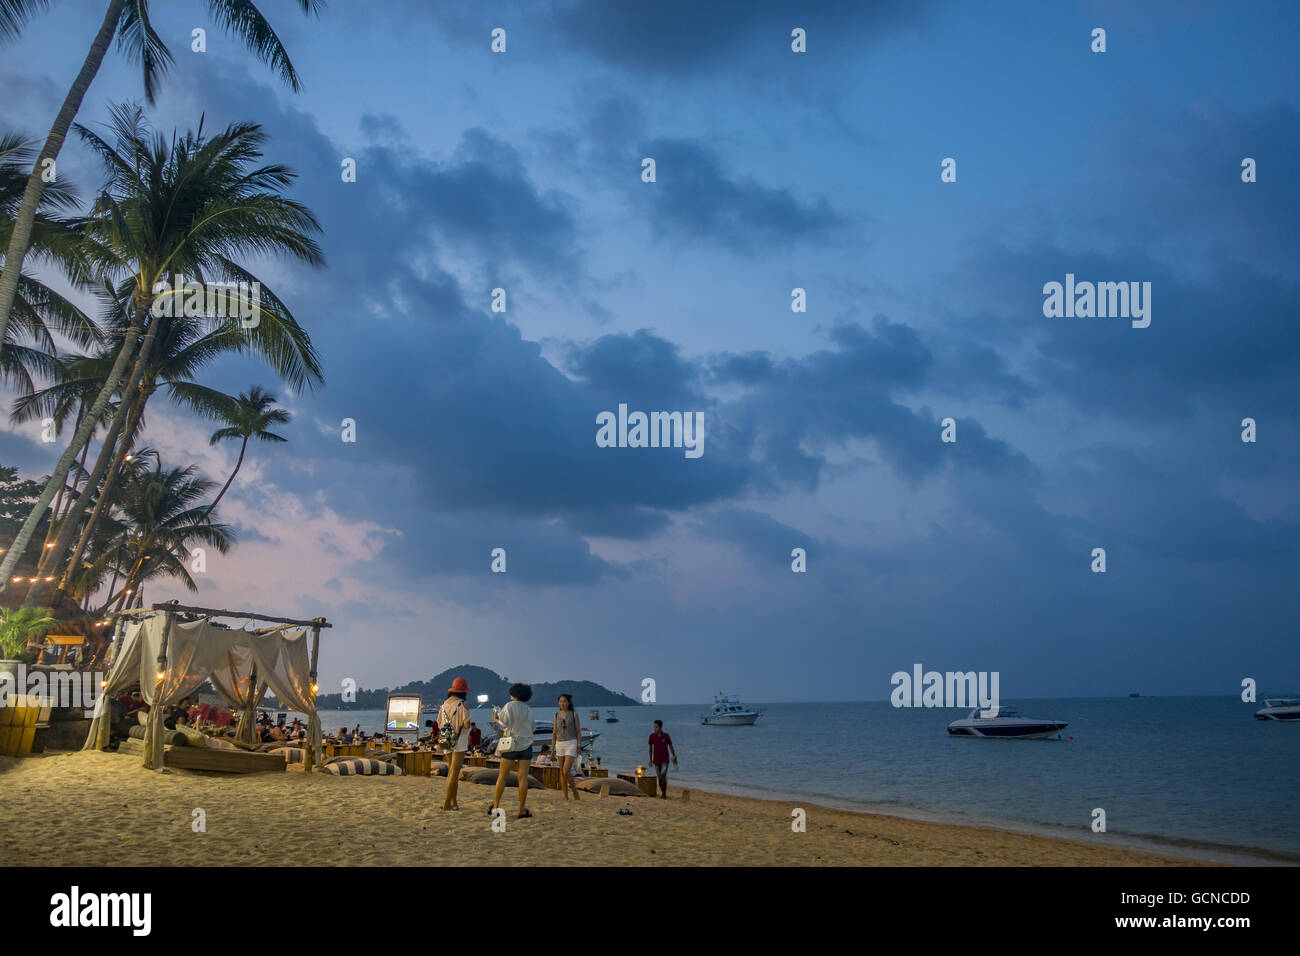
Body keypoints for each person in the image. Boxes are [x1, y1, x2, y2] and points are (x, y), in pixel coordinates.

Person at [489, 683, 535, 819]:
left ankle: (496, 806)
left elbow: (504, 723)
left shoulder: (509, 706)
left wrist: (496, 718)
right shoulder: (528, 709)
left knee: (502, 777)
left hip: (511, 744)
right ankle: (521, 809)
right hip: (526, 745)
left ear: (514, 694)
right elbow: (533, 727)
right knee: (523, 778)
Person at [438, 677, 472, 811]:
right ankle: (447, 803)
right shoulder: (463, 704)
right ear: (463, 692)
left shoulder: (444, 704)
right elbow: (467, 724)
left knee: (452, 771)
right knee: (454, 772)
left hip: (446, 739)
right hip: (460, 739)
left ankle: (454, 802)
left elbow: (439, 723)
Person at [550, 694, 582, 802]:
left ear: (569, 703)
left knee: (565, 770)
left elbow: (578, 731)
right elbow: (554, 733)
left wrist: (578, 745)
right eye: (560, 701)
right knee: (562, 772)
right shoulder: (556, 715)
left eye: (564, 701)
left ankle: (575, 791)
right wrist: (552, 749)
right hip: (559, 744)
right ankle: (565, 796)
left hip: (571, 743)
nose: (562, 703)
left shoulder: (574, 714)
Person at [647, 720, 677, 798]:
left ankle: (664, 794)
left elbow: (670, 746)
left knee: (663, 775)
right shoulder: (652, 736)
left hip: (665, 760)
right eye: (654, 727)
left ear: (660, 727)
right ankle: (663, 792)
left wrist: (674, 756)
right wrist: (650, 759)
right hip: (656, 761)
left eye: (656, 727)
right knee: (660, 778)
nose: (654, 728)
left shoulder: (666, 736)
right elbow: (650, 748)